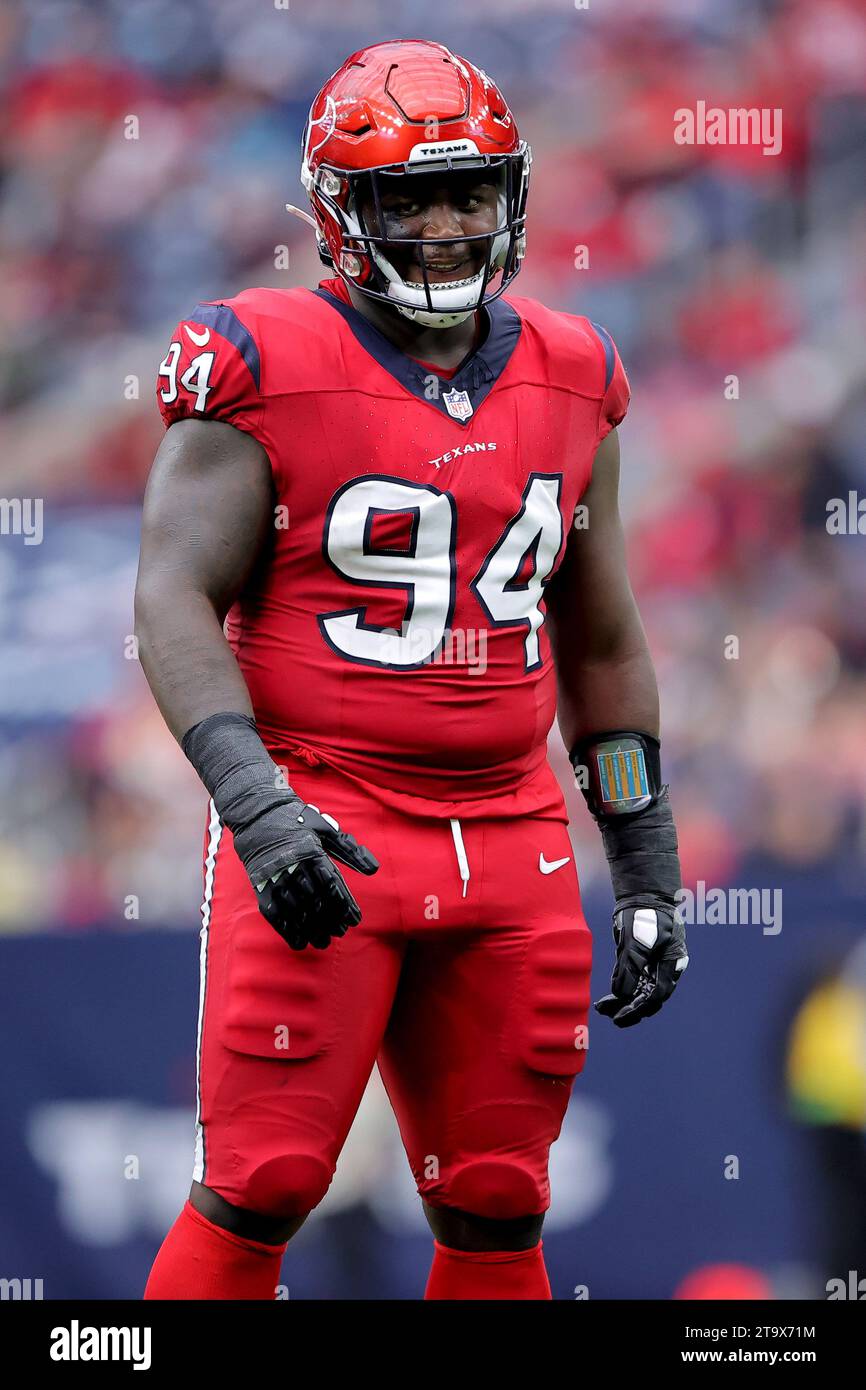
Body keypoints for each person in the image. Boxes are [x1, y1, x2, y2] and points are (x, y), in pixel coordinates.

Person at [136, 38, 688, 1302]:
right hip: (326, 812)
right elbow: (171, 594)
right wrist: (258, 804)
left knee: (497, 1197)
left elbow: (598, 639)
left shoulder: (572, 373)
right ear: (342, 209)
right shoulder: (262, 358)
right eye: (407, 198)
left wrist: (646, 859)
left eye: (467, 193)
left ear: (512, 197)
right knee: (264, 1177)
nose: (443, 225)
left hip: (511, 834)